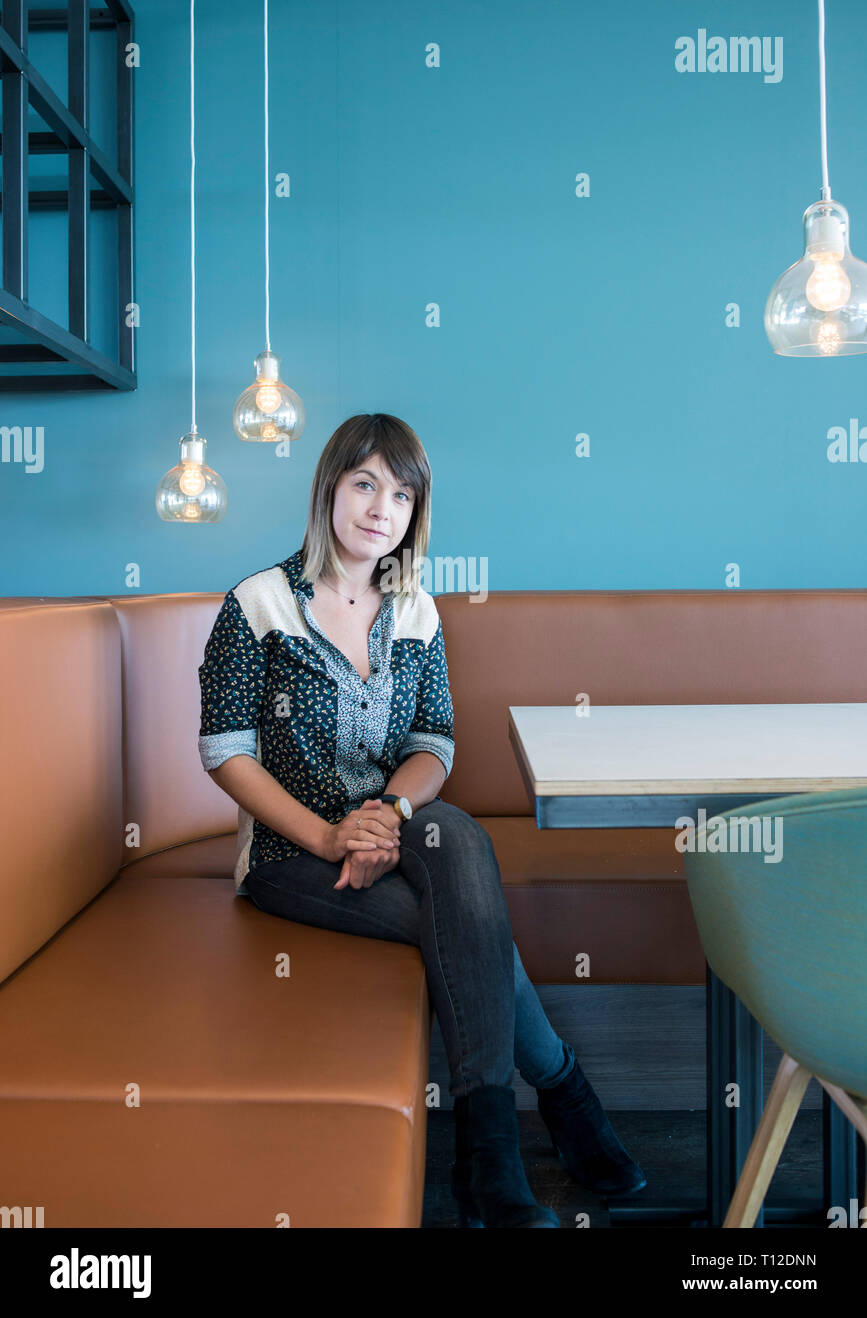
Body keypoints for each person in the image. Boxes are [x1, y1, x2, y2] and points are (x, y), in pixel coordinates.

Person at [197, 411, 645, 1228]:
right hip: (292, 853)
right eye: (365, 483)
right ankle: (553, 1105)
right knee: (466, 930)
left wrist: (389, 812)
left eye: (401, 494)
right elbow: (225, 752)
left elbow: (433, 743)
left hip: (395, 829)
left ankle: (488, 1161)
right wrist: (333, 835)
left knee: (460, 835)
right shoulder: (256, 605)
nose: (381, 507)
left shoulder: (416, 610)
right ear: (329, 484)